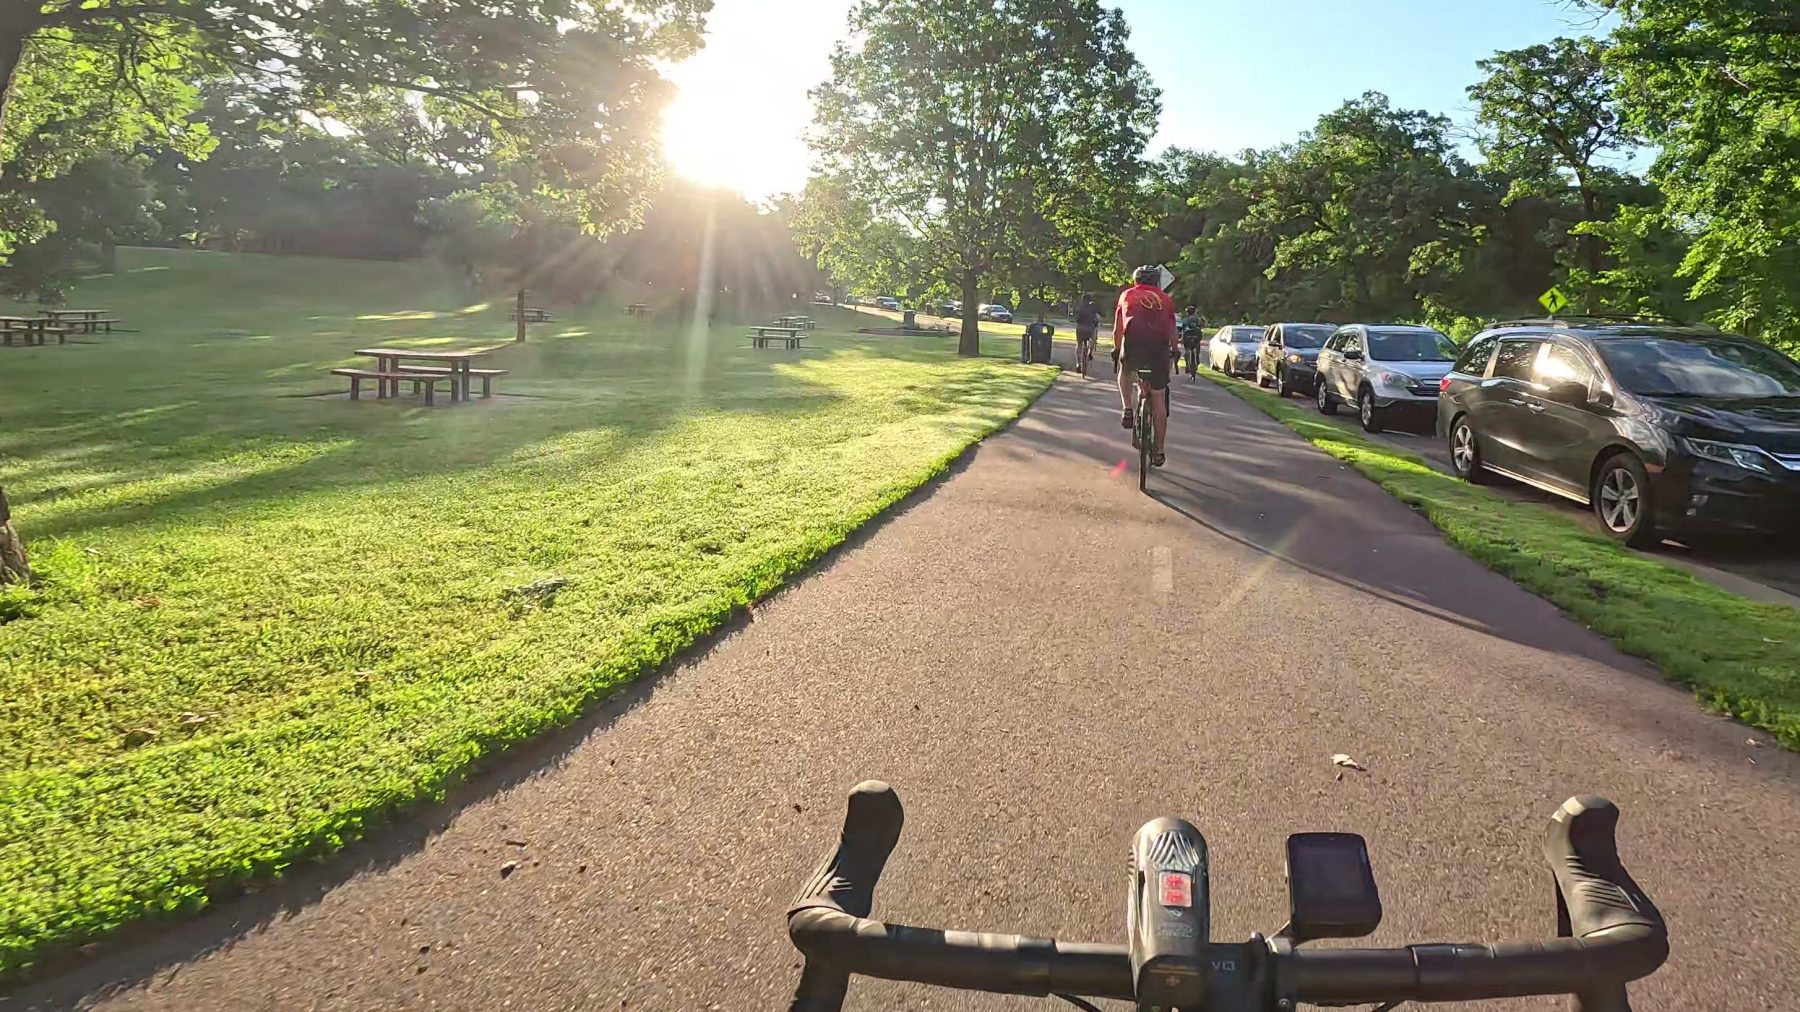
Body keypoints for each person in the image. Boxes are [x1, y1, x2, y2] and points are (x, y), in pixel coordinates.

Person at [1115, 265, 1179, 466]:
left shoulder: (1126, 295)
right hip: (1158, 349)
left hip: (1133, 345)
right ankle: (1159, 451)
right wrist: (1175, 350)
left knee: (1125, 371)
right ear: (1157, 281)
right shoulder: (1166, 299)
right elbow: (1172, 330)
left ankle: (1127, 408)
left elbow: (1118, 328)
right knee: (1159, 398)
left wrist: (1117, 350)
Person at [1073, 295, 1101, 370]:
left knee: (1079, 344)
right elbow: (1098, 317)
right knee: (1093, 339)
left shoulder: (1079, 306)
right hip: (1090, 328)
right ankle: (1090, 353)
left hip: (1080, 328)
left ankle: (1078, 363)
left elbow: (1075, 317)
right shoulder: (1093, 307)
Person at [1178, 306, 1203, 374]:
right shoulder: (1198, 319)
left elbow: (1183, 329)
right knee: (1197, 345)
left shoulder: (1185, 320)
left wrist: (1181, 339)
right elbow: (1201, 326)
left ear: (1187, 313)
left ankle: (1187, 366)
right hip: (1197, 335)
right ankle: (1197, 360)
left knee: (1187, 350)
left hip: (1187, 336)